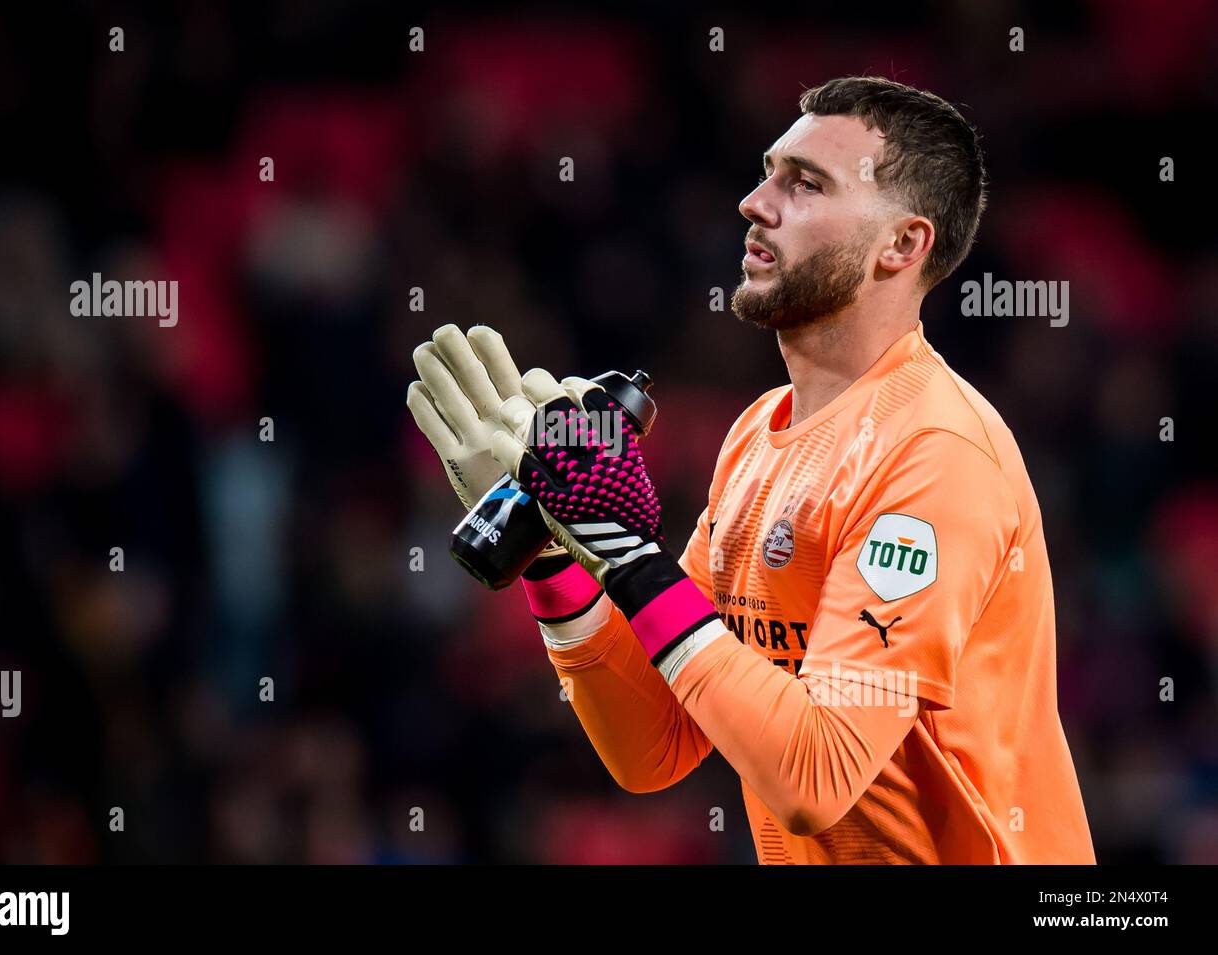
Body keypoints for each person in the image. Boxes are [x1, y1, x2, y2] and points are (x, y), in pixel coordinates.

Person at [409, 76, 1095, 864]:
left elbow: (813, 777)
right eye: (769, 170)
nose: (754, 201)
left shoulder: (934, 453)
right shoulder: (757, 436)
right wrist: (558, 552)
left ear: (902, 245)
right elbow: (654, 747)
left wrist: (627, 554)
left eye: (805, 184)